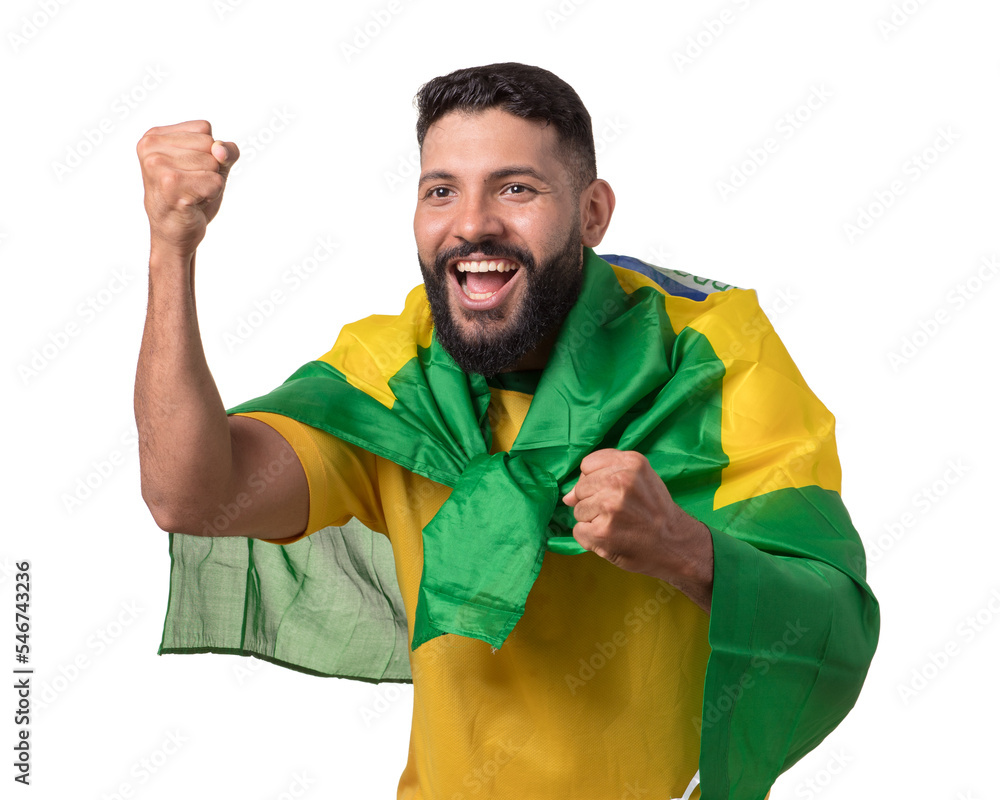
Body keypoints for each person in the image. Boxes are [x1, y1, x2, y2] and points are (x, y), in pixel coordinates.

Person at [136, 63, 878, 800]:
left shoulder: (712, 356)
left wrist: (685, 550)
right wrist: (173, 248)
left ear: (592, 213)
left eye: (516, 188)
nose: (472, 224)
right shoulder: (399, 373)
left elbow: (834, 625)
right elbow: (193, 497)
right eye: (441, 191)